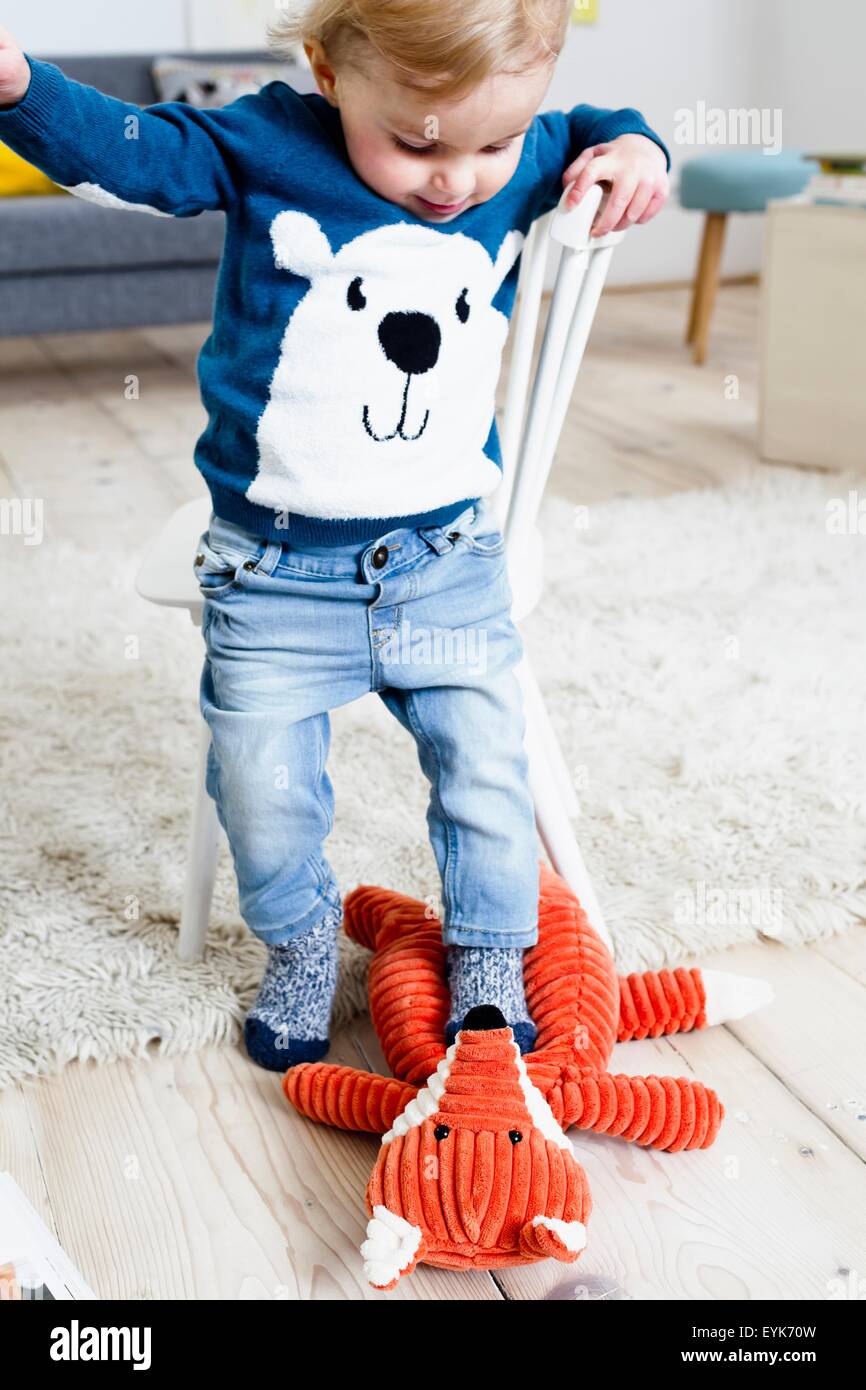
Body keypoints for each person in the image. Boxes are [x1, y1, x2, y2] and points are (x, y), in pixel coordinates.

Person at [0, 2, 670, 1069]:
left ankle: (489, 953)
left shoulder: (523, 146)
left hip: (443, 560)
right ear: (326, 70)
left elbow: (596, 121)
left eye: (494, 143)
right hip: (273, 571)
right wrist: (19, 83)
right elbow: (132, 152)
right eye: (415, 142)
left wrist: (636, 144)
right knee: (259, 787)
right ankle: (303, 940)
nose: (456, 180)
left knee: (487, 774)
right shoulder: (266, 140)